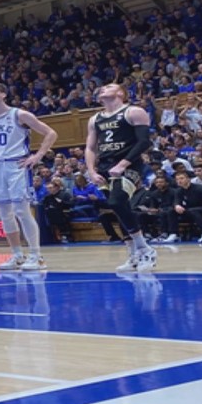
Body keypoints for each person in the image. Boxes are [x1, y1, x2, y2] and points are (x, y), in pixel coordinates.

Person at [0, 83, 57, 271]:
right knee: (4, 213)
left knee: (21, 211)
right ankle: (17, 255)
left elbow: (51, 133)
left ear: (3, 94)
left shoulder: (20, 114)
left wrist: (38, 156)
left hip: (16, 164)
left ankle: (36, 255)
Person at [85, 83, 156, 272]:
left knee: (117, 202)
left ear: (121, 93)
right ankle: (133, 253)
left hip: (129, 163)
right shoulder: (94, 119)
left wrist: (123, 164)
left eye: (108, 86)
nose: (102, 88)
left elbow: (144, 142)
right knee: (118, 208)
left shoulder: (133, 111)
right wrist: (91, 171)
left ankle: (145, 248)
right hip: (105, 166)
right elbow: (90, 148)